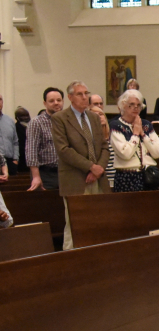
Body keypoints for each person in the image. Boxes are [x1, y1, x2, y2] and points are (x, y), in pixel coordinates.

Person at [51, 81, 112, 250]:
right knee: (75, 224)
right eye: (80, 94)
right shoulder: (60, 118)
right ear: (70, 97)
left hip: (97, 178)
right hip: (75, 178)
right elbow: (64, 150)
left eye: (86, 93)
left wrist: (98, 169)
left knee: (98, 221)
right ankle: (69, 258)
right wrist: (90, 167)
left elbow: (104, 146)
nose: (85, 97)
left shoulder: (93, 117)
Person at [110, 89, 159, 192]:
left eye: (138, 105)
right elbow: (125, 154)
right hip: (127, 177)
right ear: (123, 106)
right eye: (131, 104)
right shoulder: (116, 126)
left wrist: (143, 135)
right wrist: (135, 134)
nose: (135, 107)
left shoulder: (146, 125)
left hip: (149, 175)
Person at [26, 87, 64, 191]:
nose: (56, 103)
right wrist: (36, 177)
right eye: (51, 101)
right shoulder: (36, 122)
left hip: (66, 173)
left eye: (59, 100)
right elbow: (31, 151)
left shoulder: (68, 121)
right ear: (45, 103)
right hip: (46, 174)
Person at [89, 94, 115, 188]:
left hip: (116, 178)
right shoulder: (90, 137)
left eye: (101, 114)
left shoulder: (114, 134)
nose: (99, 106)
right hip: (100, 179)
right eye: (96, 104)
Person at [0, 94, 18, 176]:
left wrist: (15, 159)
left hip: (10, 162)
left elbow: (15, 142)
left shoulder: (9, 121)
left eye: (0, 99)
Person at [14, 107, 29, 174]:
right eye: (23, 116)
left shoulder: (32, 125)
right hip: (21, 158)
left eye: (27, 115)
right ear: (17, 117)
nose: (26, 118)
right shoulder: (15, 127)